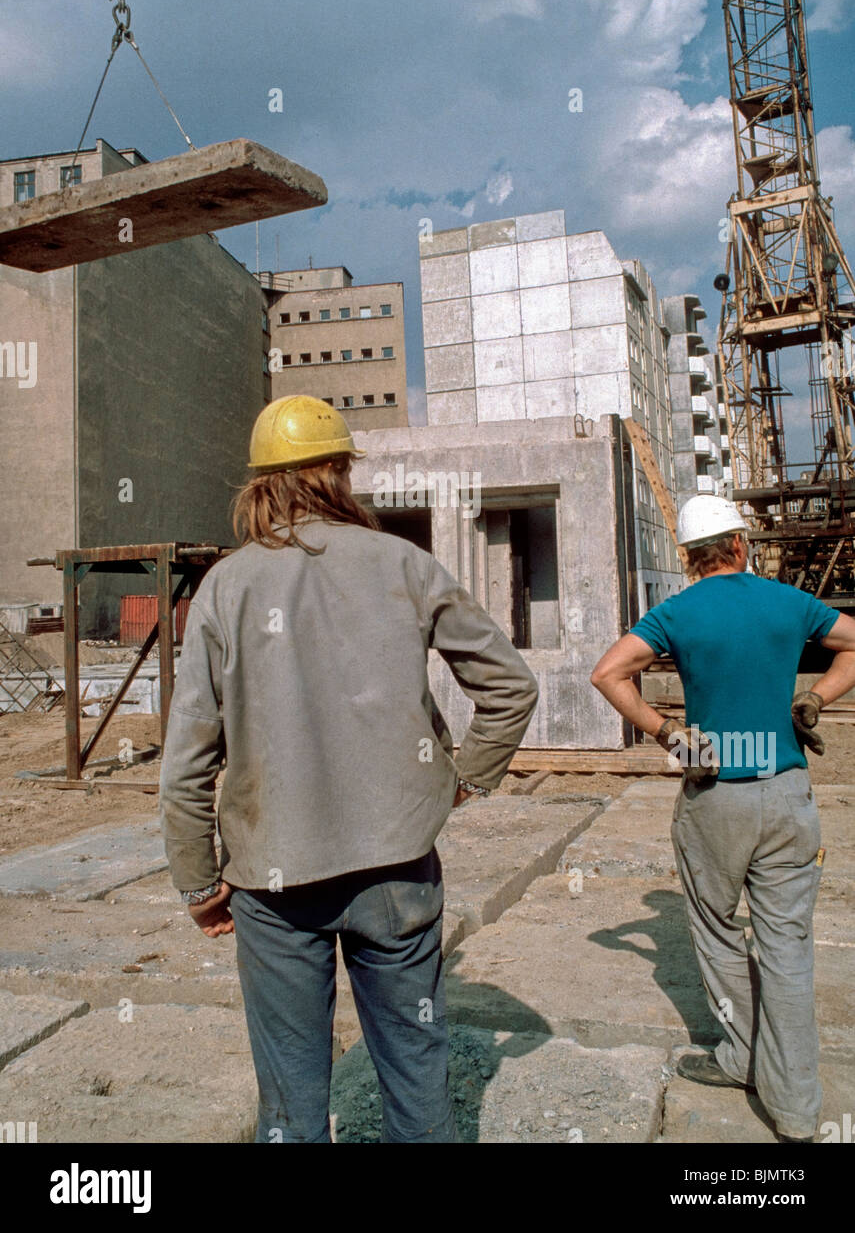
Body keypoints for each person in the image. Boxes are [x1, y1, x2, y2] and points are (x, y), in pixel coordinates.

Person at [159, 395, 538, 1144]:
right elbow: (511, 687)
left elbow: (185, 765)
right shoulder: (404, 563)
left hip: (273, 880)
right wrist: (465, 778)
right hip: (396, 867)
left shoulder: (224, 589)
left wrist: (199, 884)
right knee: (415, 1070)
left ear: (260, 483)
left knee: (291, 1098)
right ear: (336, 472)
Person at [590, 494, 855, 1143]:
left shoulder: (675, 613)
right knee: (787, 949)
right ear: (739, 546)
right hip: (787, 793)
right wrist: (814, 699)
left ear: (687, 557)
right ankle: (795, 1111)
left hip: (715, 795)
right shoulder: (787, 602)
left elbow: (607, 673)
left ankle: (739, 1056)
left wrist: (667, 735)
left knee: (714, 929)